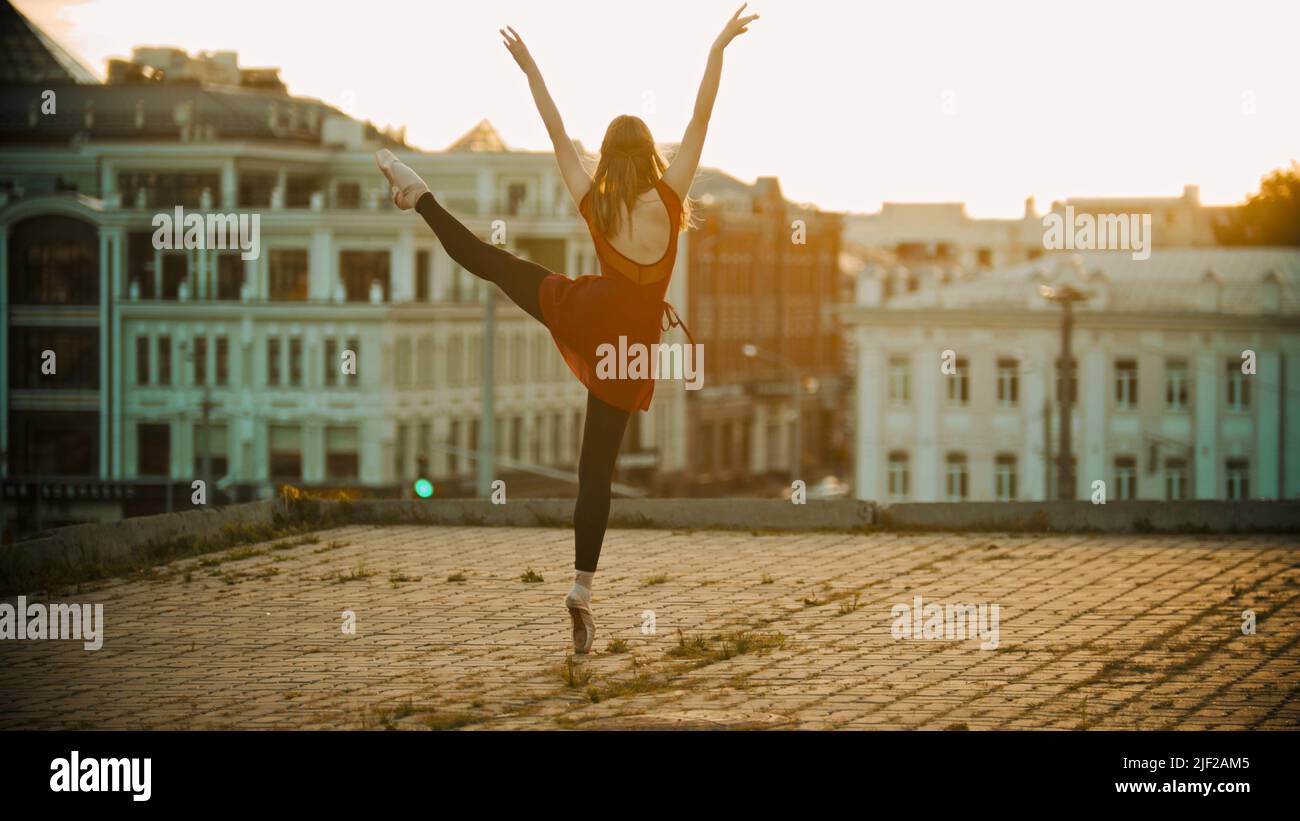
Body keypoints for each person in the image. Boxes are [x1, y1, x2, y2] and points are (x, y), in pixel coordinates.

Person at [376, 5, 758, 653]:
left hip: (586, 310)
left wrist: (532, 70)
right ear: (653, 156)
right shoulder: (671, 197)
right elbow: (702, 114)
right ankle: (582, 586)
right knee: (595, 472)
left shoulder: (595, 200)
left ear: (608, 155)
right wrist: (718, 45)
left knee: (494, 264)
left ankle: (417, 194)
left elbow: (555, 130)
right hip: (630, 350)